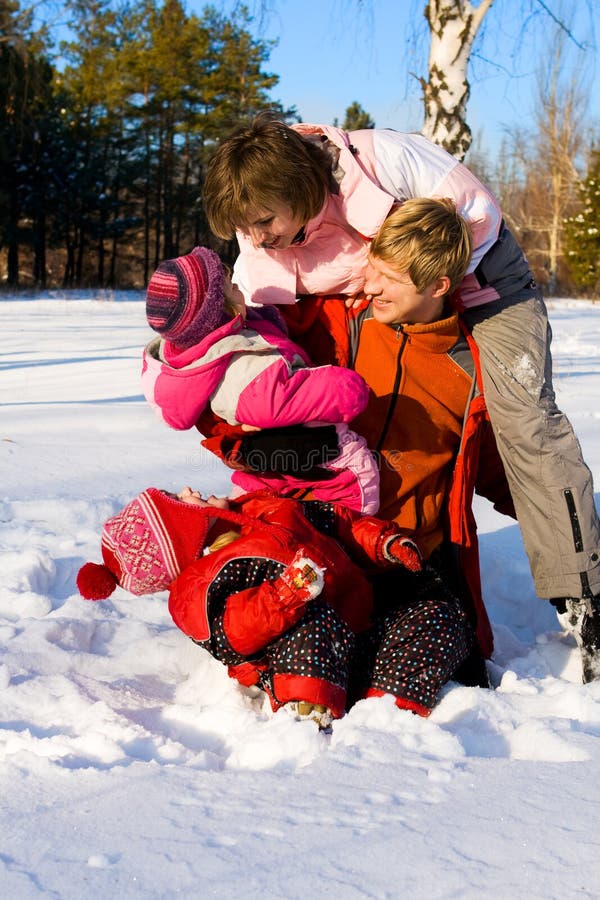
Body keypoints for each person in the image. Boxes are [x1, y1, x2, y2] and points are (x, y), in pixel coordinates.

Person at [203, 114, 600, 682]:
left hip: (477, 282)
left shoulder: (382, 160)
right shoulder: (260, 225)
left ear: (297, 188)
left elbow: (479, 217)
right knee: (308, 402)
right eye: (247, 228)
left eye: (265, 222)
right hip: (384, 296)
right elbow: (258, 315)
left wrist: (420, 288)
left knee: (523, 424)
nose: (257, 237)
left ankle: (585, 596)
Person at [76, 484, 471, 724]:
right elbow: (235, 633)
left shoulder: (260, 510)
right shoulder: (194, 588)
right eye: (179, 500)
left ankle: (388, 708)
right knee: (310, 619)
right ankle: (309, 712)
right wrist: (288, 593)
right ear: (181, 532)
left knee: (438, 615)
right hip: (307, 659)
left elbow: (335, 522)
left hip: (359, 629)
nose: (190, 491)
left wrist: (383, 542)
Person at [141, 245, 379, 515]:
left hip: (264, 467)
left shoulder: (203, 352)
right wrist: (352, 387)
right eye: (232, 288)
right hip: (319, 458)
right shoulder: (240, 370)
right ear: (221, 314)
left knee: (258, 513)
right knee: (359, 494)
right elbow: (280, 399)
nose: (240, 289)